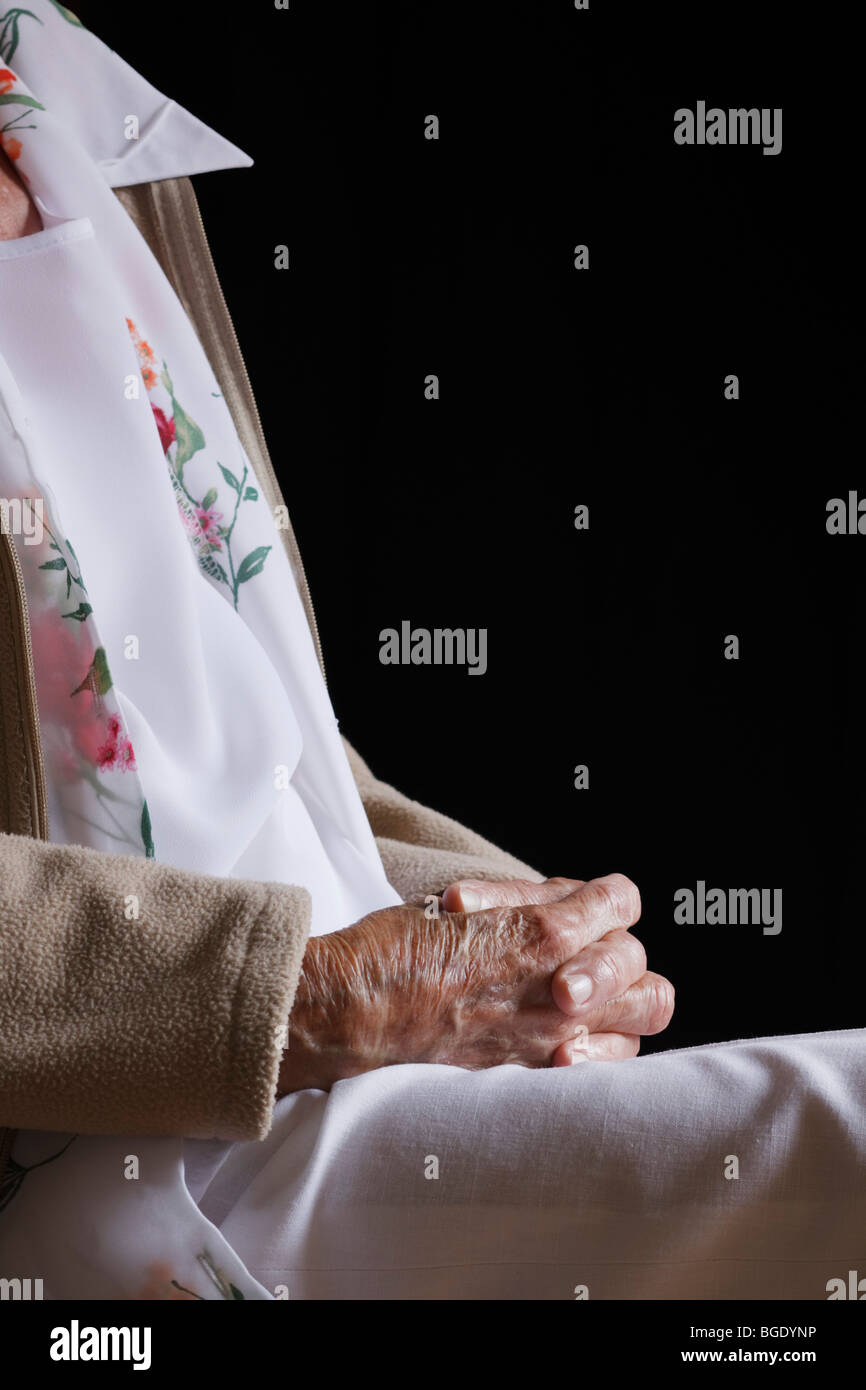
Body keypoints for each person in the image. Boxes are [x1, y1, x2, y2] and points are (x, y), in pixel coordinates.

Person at [1, 6, 862, 1302]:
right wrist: (303, 994)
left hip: (329, 1089)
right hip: (118, 1163)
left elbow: (252, 752)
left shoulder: (64, 99)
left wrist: (533, 944)